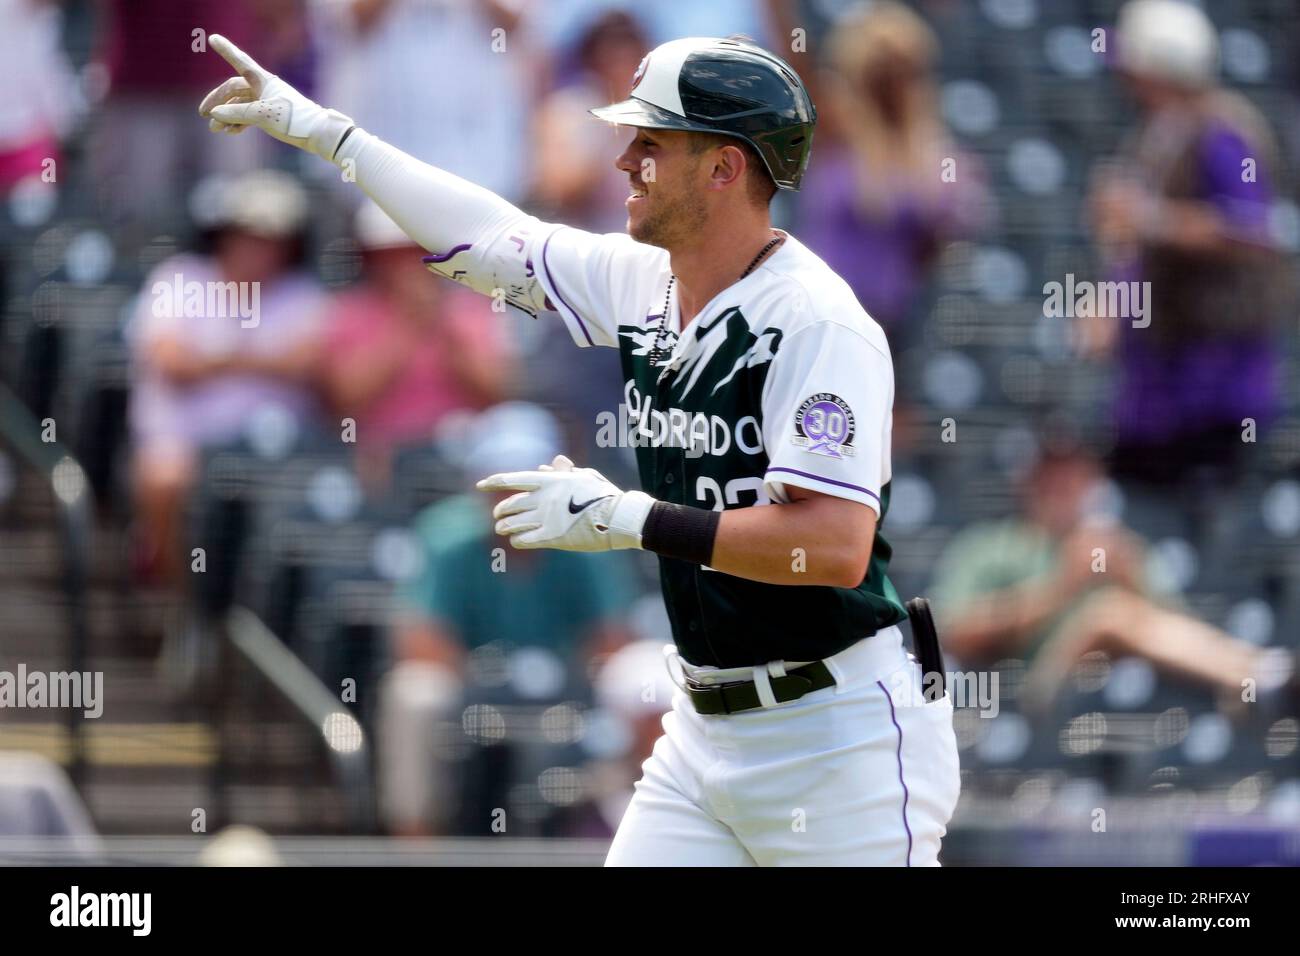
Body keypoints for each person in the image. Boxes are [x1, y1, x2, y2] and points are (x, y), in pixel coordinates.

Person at [197, 32, 960, 865]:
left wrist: (633, 518)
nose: (625, 158)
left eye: (652, 142)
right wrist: (334, 138)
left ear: (724, 168)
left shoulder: (816, 323)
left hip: (838, 736)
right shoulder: (646, 279)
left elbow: (834, 547)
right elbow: (488, 242)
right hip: (705, 728)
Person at [377, 402, 637, 836]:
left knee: (637, 684)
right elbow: (421, 642)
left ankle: (610, 836)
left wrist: (570, 680)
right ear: (477, 486)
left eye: (527, 483)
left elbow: (611, 641)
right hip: (469, 682)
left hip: (567, 687)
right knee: (414, 693)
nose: (512, 496)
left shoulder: (588, 536)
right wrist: (493, 684)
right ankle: (417, 844)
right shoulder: (444, 535)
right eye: (500, 483)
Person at [929, 442, 1296, 716]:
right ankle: (1259, 673)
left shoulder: (1113, 544)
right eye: (1050, 475)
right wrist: (1060, 587)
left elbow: (1172, 626)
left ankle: (1257, 677)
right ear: (1028, 481)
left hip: (1111, 679)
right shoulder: (990, 545)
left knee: (1116, 613)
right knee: (1107, 613)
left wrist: (1132, 576)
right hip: (1027, 685)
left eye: (1073, 475)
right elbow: (953, 632)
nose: (1062, 486)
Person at [1084, 0, 1288, 490]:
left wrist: (1148, 218)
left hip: (1212, 382)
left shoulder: (1223, 134)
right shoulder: (1158, 134)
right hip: (1155, 383)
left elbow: (1250, 231)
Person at [128, 169, 326, 586]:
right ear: (224, 233)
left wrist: (218, 360)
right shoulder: (180, 278)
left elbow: (310, 366)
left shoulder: (303, 293)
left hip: (279, 451)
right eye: (249, 234)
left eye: (272, 238)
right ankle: (173, 593)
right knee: (164, 477)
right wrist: (262, 360)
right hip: (187, 446)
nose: (259, 248)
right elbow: (171, 362)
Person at [319, 201, 514, 491]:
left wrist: (444, 325)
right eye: (393, 255)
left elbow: (500, 392)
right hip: (385, 460)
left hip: (465, 457)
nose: (408, 264)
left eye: (416, 252)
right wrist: (410, 325)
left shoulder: (469, 308)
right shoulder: (351, 312)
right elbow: (345, 398)